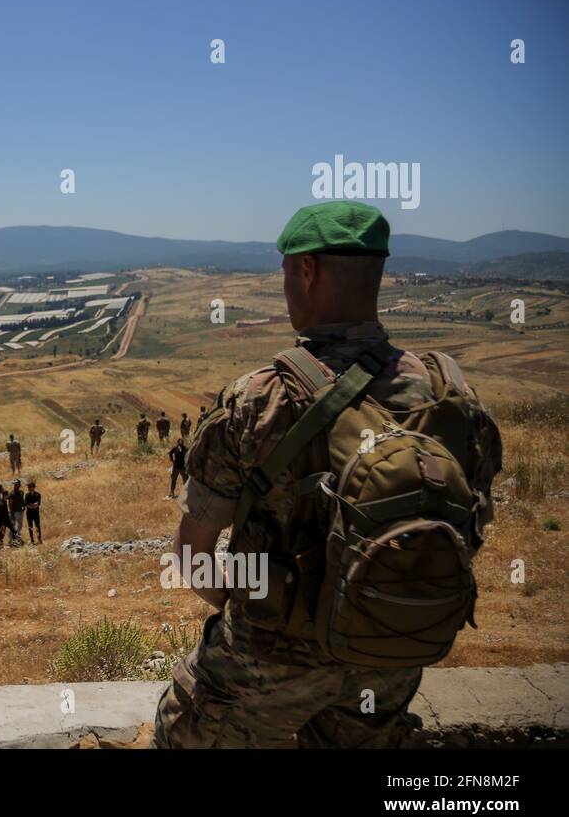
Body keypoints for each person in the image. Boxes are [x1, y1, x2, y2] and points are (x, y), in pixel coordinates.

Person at [153, 201, 502, 749]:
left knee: (182, 727)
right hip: (389, 654)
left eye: (288, 271)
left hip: (267, 659)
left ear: (307, 270)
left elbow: (192, 558)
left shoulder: (258, 400)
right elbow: (464, 531)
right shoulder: (450, 396)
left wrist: (262, 609)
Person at [25, 480, 43, 544]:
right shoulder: (27, 495)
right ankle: (32, 540)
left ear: (33, 487)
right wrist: (33, 505)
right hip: (29, 514)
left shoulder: (38, 494)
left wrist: (32, 505)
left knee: (37, 526)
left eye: (29, 487)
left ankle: (39, 539)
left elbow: (37, 504)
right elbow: (26, 505)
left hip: (36, 513)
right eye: (28, 487)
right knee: (30, 527)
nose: (28, 488)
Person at [8, 479, 26, 544]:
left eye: (17, 484)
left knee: (20, 525)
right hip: (14, 512)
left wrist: (24, 506)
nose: (15, 485)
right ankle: (11, 539)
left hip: (20, 511)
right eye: (15, 484)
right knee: (13, 526)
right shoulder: (11, 493)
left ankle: (17, 537)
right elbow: (10, 504)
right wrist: (11, 513)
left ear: (19, 485)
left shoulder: (21, 492)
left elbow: (22, 500)